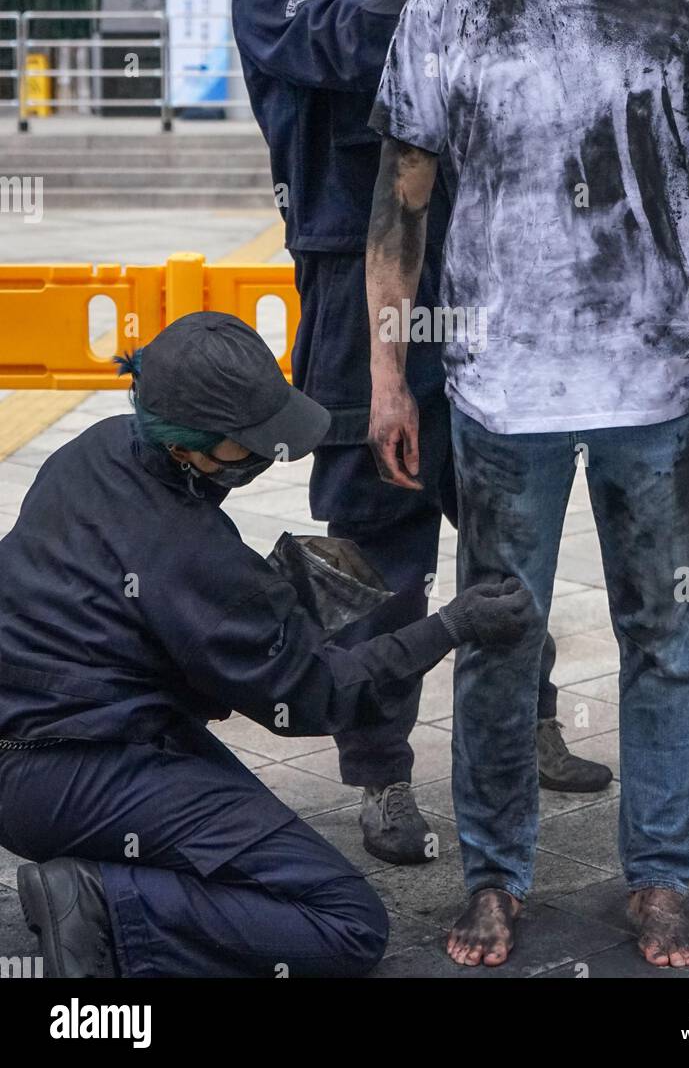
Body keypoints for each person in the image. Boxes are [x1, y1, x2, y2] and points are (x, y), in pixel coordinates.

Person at [365, 0, 689, 969]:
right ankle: (494, 878)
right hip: (499, 393)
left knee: (666, 638)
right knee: (496, 643)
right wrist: (391, 370)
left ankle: (658, 877)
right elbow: (404, 188)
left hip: (656, 386)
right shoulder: (450, 1)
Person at [222, 0, 612, 864]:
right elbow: (358, 50)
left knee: (506, 517)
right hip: (354, 290)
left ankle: (526, 723)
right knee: (374, 543)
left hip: (480, 272)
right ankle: (379, 774)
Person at [0, 312, 532, 978]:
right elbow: (316, 695)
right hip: (78, 769)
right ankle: (103, 904)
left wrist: (276, 597)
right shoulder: (188, 547)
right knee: (346, 924)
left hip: (47, 747)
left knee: (252, 857)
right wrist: (450, 626)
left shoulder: (99, 448)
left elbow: (148, 612)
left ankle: (101, 877)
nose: (264, 455)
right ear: (185, 448)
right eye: (245, 445)